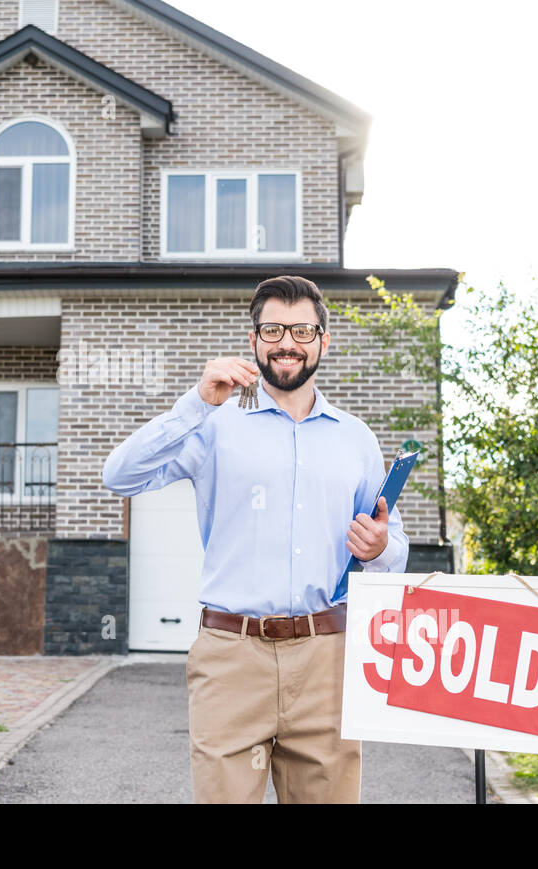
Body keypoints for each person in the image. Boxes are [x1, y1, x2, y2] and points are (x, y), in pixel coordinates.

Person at [101, 274, 409, 803]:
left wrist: (380, 548)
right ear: (254, 340)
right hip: (231, 656)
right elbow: (120, 476)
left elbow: (392, 545)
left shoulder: (356, 438)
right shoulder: (213, 424)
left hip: (327, 657)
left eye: (303, 331)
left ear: (322, 342)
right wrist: (196, 402)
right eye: (273, 329)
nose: (287, 342)